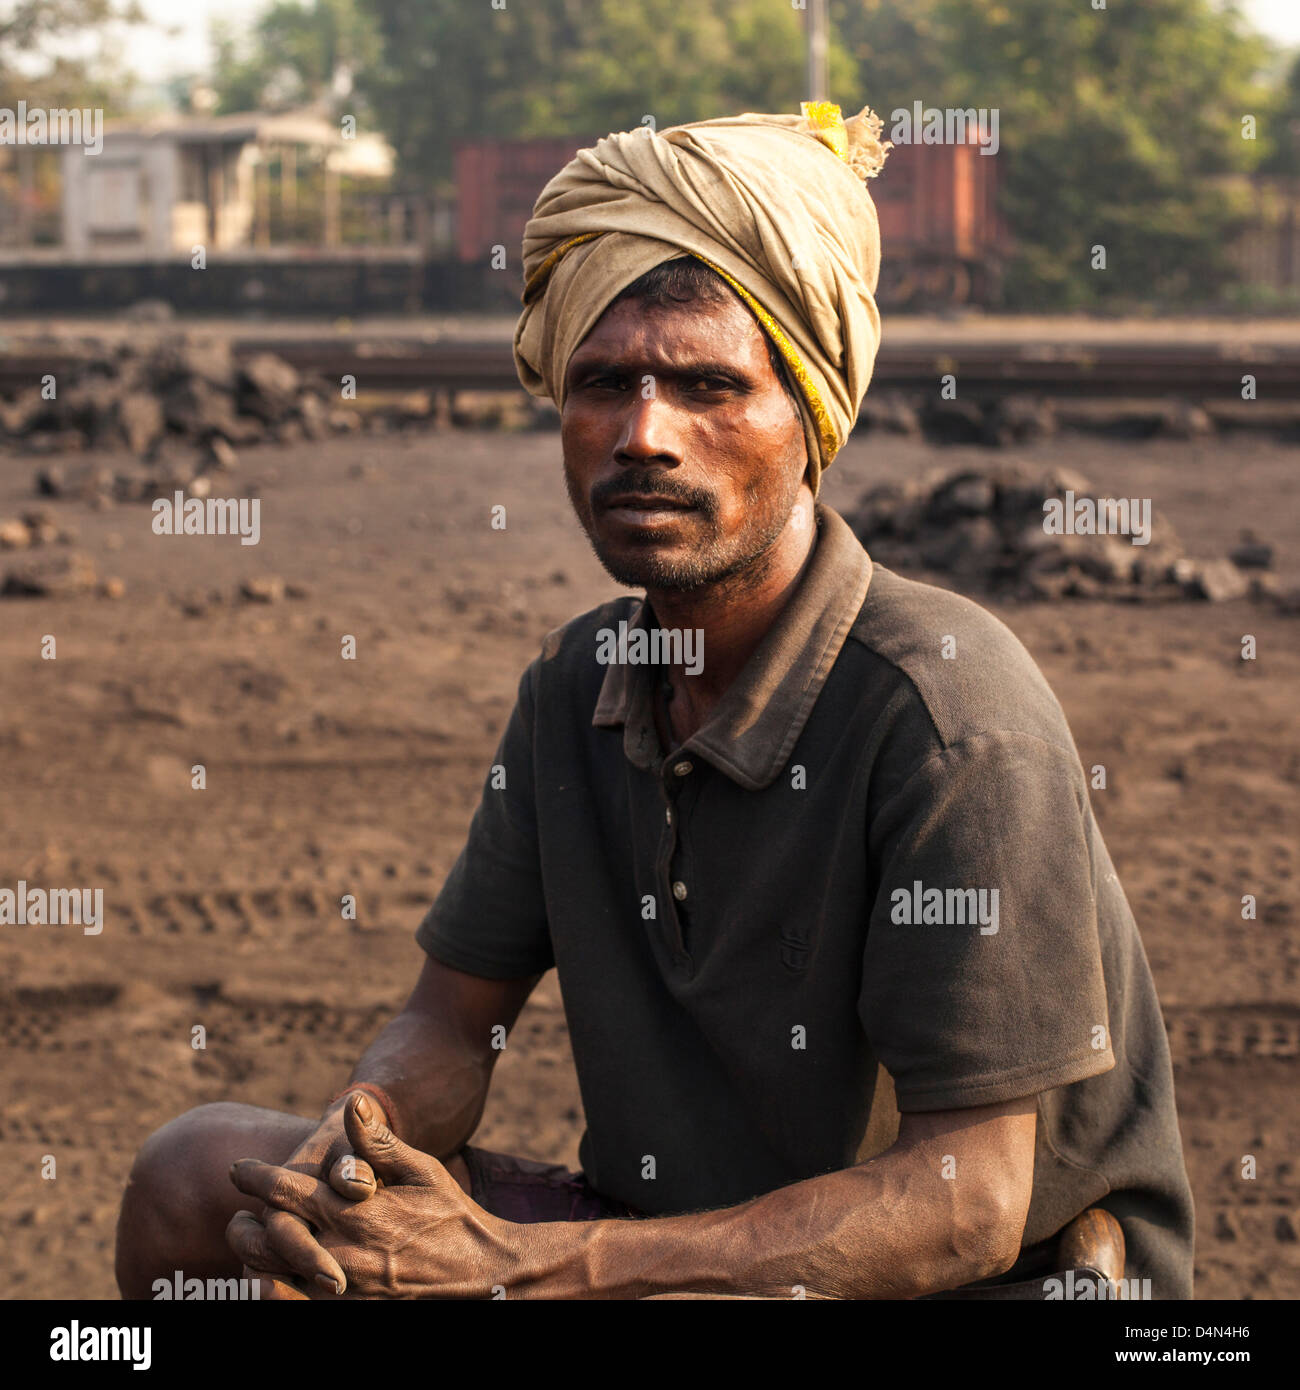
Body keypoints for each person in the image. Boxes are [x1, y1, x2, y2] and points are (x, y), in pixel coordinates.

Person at [115, 102, 1194, 1300]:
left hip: (941, 1280)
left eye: (706, 386)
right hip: (663, 1243)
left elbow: (966, 1206)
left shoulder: (946, 713)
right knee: (196, 1182)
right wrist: (351, 1156)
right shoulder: (575, 684)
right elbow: (449, 1024)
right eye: (604, 382)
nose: (643, 434)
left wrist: (527, 1266)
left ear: (808, 421)